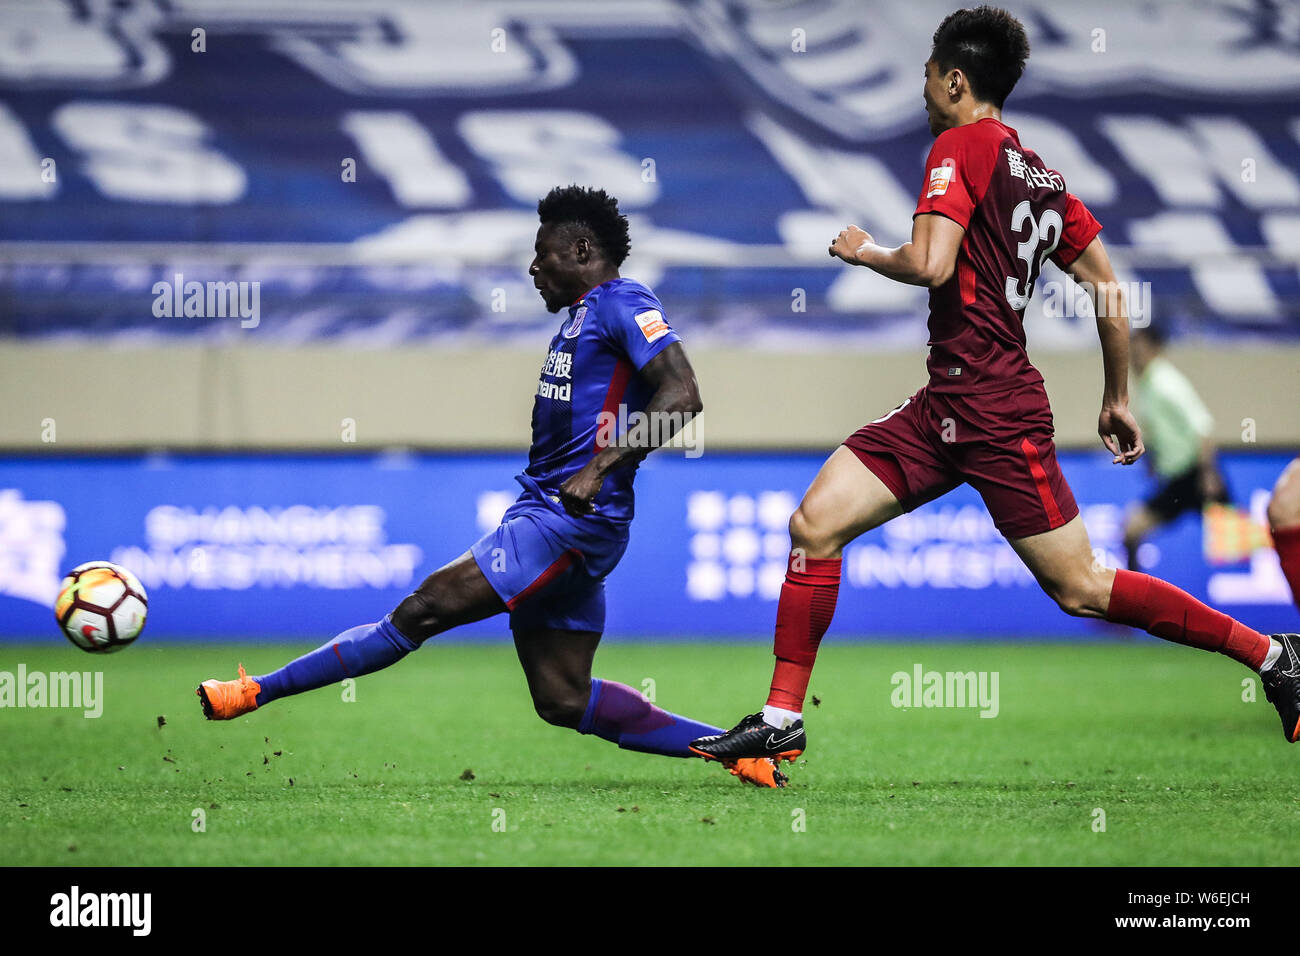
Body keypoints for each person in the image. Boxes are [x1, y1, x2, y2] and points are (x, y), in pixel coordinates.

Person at [691, 5, 1300, 769]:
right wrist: (1117, 395)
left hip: (995, 409)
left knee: (1081, 586)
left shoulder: (960, 145)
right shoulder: (1042, 175)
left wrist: (866, 251)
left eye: (926, 77)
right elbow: (1111, 291)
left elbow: (931, 263)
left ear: (954, 79)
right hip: (944, 404)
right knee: (815, 525)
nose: (922, 91)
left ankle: (1275, 657)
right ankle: (782, 718)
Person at [196, 185, 786, 788]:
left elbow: (683, 395)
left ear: (582, 249)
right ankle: (737, 749)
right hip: (556, 512)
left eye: (544, 254)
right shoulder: (584, 316)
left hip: (569, 521)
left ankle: (255, 691)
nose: (533, 268)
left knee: (421, 610)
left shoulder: (624, 302)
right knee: (561, 697)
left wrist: (598, 469)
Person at [1122, 325, 1228, 571]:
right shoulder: (1148, 385)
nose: (1134, 356)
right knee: (1130, 531)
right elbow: (1157, 431)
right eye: (1132, 351)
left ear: (1155, 349)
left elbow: (1202, 426)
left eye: (1139, 350)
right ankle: (1135, 597)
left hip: (1196, 475)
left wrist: (1209, 474)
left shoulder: (1165, 382)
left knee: (1247, 538)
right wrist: (1151, 461)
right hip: (1177, 480)